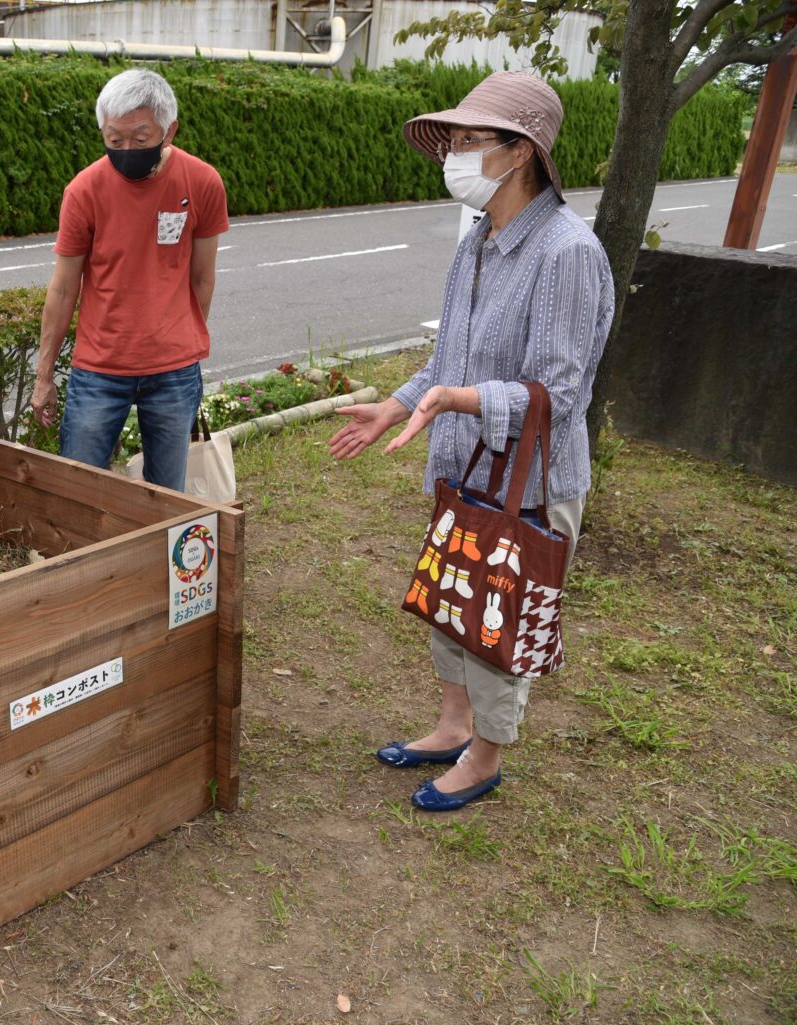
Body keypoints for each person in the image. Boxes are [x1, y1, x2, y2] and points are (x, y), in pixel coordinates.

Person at [328, 71, 613, 811]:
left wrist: (459, 400)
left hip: (530, 481)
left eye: (467, 141)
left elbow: (561, 393)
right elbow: (450, 358)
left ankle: (484, 757)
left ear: (520, 152)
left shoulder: (565, 252)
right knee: (453, 600)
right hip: (464, 462)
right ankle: (455, 724)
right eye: (450, 140)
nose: (453, 155)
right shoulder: (482, 239)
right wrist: (396, 406)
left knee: (499, 619)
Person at [31, 69, 228, 491]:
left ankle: (156, 558)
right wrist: (44, 376)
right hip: (99, 369)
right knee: (80, 487)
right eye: (113, 140)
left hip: (174, 370)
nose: (125, 150)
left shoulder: (203, 182)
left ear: (169, 130)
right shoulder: (84, 190)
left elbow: (202, 279)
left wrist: (181, 338)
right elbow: (64, 288)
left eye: (140, 140)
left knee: (167, 493)